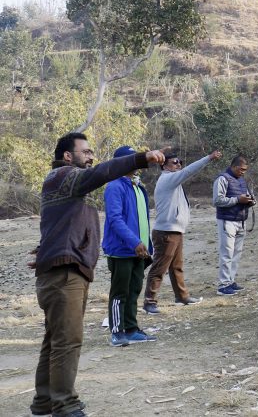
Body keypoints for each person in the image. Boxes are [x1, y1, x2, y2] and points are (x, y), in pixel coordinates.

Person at [31, 132, 164, 417]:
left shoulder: (67, 184)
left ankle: (44, 402)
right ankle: (64, 405)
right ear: (68, 156)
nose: (91, 157)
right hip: (64, 274)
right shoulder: (65, 176)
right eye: (86, 151)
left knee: (54, 339)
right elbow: (104, 172)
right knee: (67, 341)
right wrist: (143, 157)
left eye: (92, 152)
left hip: (63, 271)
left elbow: (59, 224)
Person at [142, 149, 222, 314]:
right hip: (166, 232)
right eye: (175, 162)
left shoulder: (173, 181)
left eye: (180, 162)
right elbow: (189, 171)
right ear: (164, 166)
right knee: (159, 267)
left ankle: (182, 296)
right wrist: (208, 158)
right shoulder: (168, 179)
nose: (178, 165)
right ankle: (149, 302)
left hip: (175, 231)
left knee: (176, 266)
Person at [102, 146, 158, 346]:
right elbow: (115, 219)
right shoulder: (115, 186)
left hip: (139, 251)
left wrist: (146, 246)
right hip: (122, 251)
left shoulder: (138, 186)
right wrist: (134, 241)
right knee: (120, 293)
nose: (137, 163)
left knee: (134, 290)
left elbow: (142, 220)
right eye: (132, 159)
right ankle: (117, 332)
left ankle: (132, 329)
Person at [213, 155, 254, 296]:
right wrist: (237, 199)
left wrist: (249, 201)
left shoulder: (241, 180)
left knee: (236, 254)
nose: (243, 172)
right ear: (234, 166)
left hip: (241, 220)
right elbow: (217, 200)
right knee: (227, 253)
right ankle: (223, 285)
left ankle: (230, 281)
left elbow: (244, 196)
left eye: (245, 170)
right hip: (227, 221)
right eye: (241, 169)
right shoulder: (222, 179)